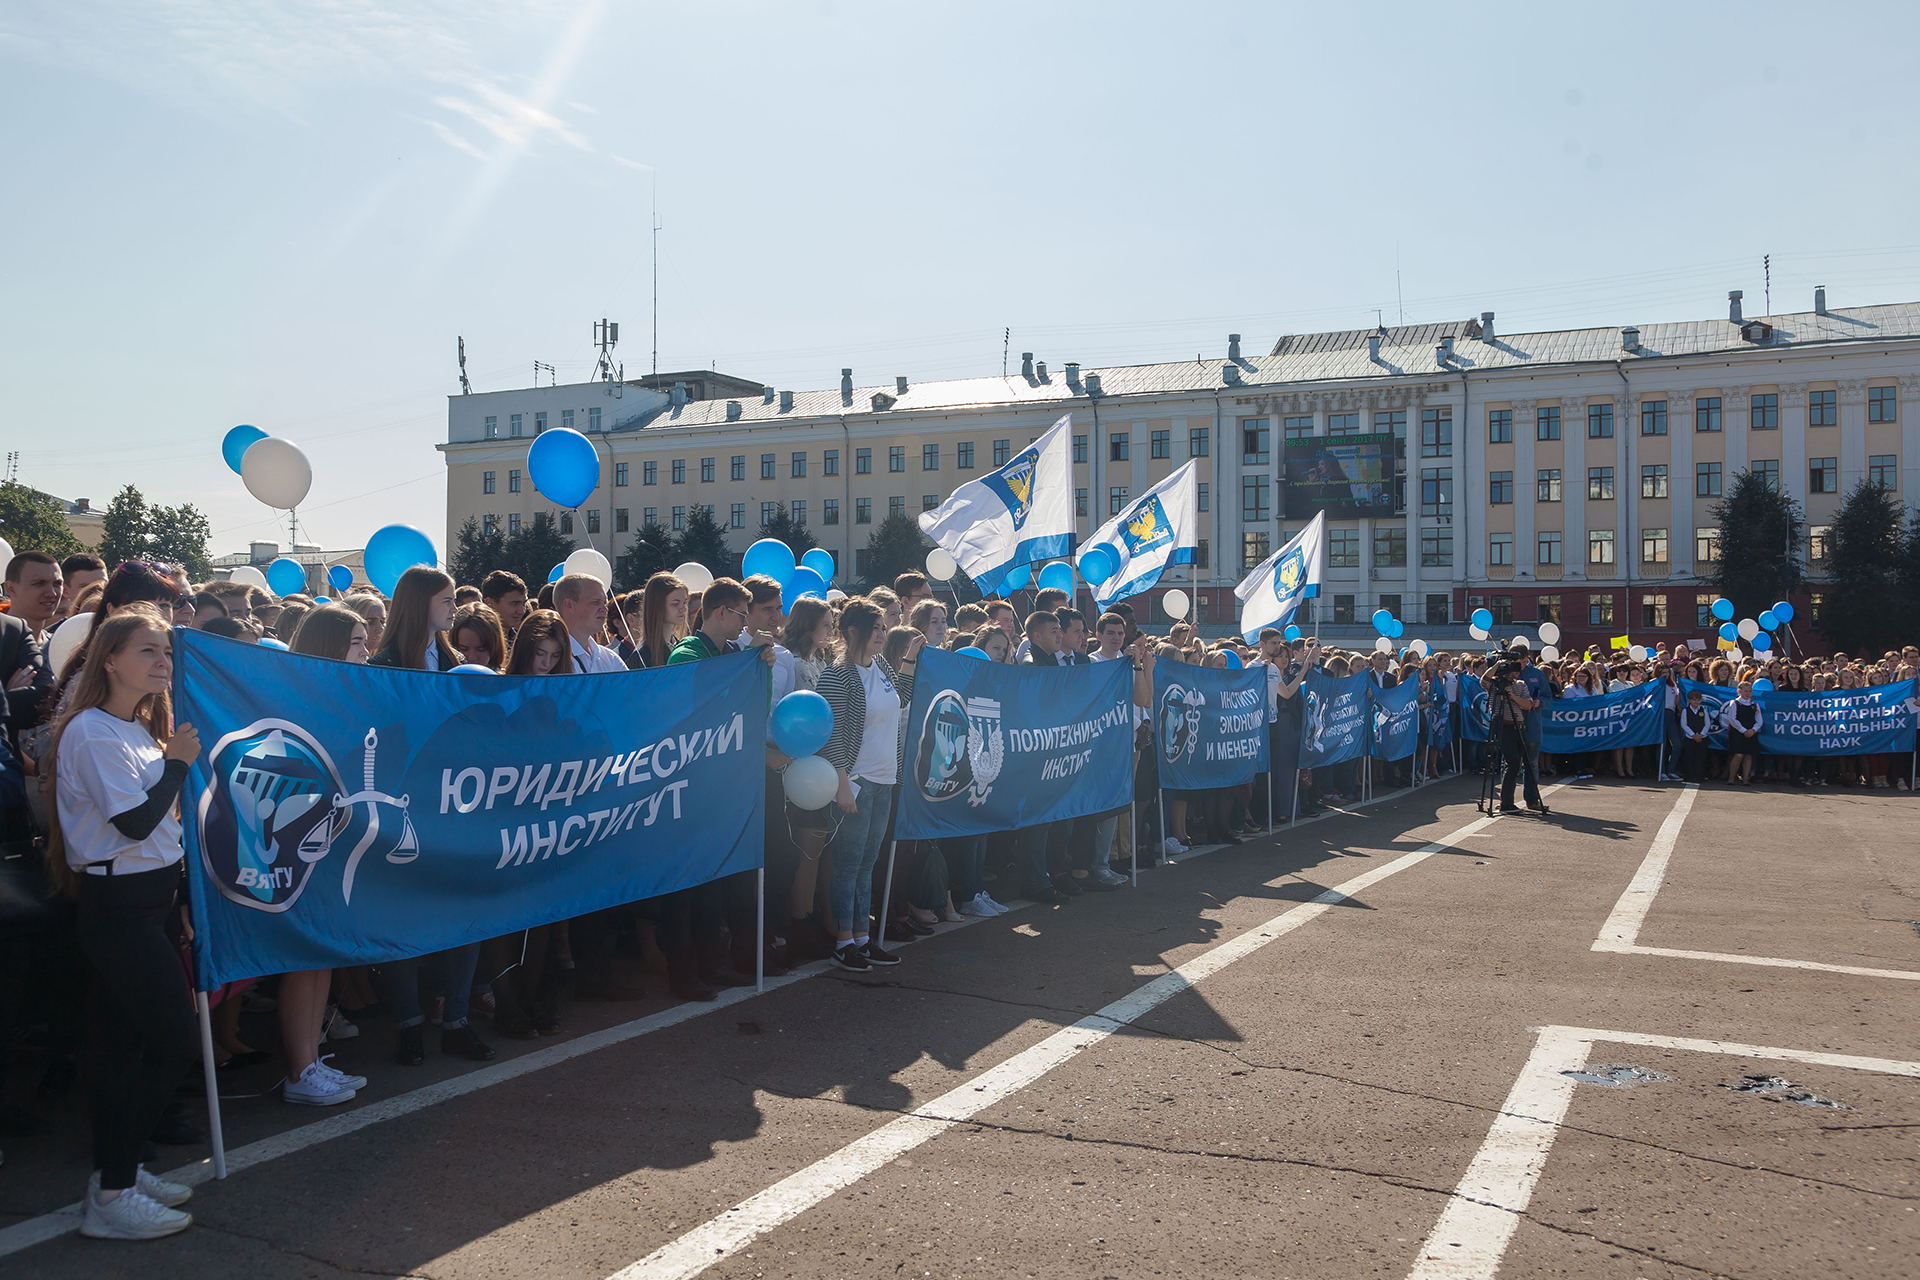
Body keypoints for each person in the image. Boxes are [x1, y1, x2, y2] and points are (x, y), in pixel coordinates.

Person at [47, 606, 199, 1239]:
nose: (162, 662)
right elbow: (133, 824)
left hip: (152, 903)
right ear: (109, 659)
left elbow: (162, 832)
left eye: (166, 652)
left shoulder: (137, 729)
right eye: (148, 652)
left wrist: (181, 906)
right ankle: (111, 1192)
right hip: (118, 910)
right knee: (171, 1042)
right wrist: (178, 763)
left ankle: (120, 1170)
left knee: (122, 1047)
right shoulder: (91, 731)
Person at [366, 568, 490, 1063]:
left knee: (466, 916)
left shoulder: (455, 661)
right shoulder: (384, 664)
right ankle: (409, 1023)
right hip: (403, 811)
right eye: (445, 598)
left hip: (456, 811)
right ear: (421, 603)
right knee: (405, 921)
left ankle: (456, 1020)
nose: (454, 606)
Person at [275, 605, 376, 1104]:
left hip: (336, 838)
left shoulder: (348, 695)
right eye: (358, 641)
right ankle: (298, 1069)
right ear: (330, 647)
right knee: (303, 957)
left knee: (322, 955)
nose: (367, 650)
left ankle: (310, 1061)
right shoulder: (299, 698)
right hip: (303, 841)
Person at [817, 599, 919, 971]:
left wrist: (908, 659)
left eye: (882, 627)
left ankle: (863, 938)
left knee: (867, 863)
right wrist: (842, 782)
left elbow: (902, 700)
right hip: (856, 781)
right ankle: (843, 943)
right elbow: (831, 736)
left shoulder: (881, 667)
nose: (881, 633)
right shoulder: (838, 675)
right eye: (874, 628)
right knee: (847, 864)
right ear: (852, 631)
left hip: (884, 779)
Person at [1488, 656, 1542, 813]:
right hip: (1503, 726)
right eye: (1513, 670)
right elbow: (1484, 679)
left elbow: (1528, 706)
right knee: (1511, 763)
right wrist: (1498, 664)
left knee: (1517, 764)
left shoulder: (1520, 685)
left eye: (1518, 670)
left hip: (1519, 726)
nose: (1516, 673)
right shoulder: (1493, 685)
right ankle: (1506, 803)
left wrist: (1512, 696)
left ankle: (1508, 800)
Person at [553, 574, 625, 673]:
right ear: (569, 605)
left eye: (604, 603)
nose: (605, 609)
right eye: (595, 602)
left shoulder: (610, 659)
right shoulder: (549, 660)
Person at [624, 571, 689, 669]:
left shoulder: (681, 647)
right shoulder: (641, 656)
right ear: (657, 606)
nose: (683, 608)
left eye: (684, 602)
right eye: (675, 603)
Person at [504, 610, 574, 675]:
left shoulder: (568, 686)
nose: (547, 663)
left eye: (555, 655)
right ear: (524, 648)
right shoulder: (499, 684)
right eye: (540, 653)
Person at [1721, 679, 1762, 784]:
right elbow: (1733, 719)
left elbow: (1759, 721)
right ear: (1739, 691)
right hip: (1737, 733)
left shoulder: (1755, 705)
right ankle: (1731, 779)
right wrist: (1743, 730)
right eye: (1745, 691)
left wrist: (1753, 730)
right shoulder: (1734, 703)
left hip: (1751, 732)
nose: (1748, 693)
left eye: (1750, 691)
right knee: (1738, 755)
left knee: (1748, 756)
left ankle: (1745, 780)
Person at [447, 603, 508, 671]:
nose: (472, 658)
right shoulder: (440, 679)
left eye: (481, 649)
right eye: (464, 649)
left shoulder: (504, 680)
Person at [1678, 688, 1713, 783]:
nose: (1696, 702)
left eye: (1698, 699)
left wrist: (1701, 735)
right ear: (1689, 700)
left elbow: (1707, 724)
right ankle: (1690, 776)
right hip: (1690, 738)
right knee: (1689, 758)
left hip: (1702, 738)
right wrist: (1693, 735)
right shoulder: (1686, 711)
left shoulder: (1703, 710)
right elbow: (1684, 724)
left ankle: (1699, 776)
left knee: (1700, 758)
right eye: (1694, 699)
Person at [479, 570, 529, 637]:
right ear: (489, 603)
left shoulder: (519, 642)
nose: (522, 611)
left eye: (523, 604)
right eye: (514, 604)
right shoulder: (475, 641)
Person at [58, 554, 107, 619]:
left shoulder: (121, 627)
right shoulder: (61, 629)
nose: (97, 592)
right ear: (65, 591)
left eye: (103, 584)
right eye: (85, 587)